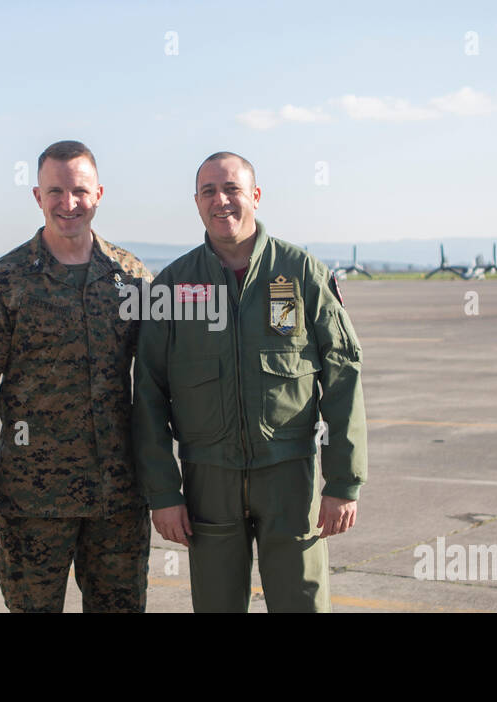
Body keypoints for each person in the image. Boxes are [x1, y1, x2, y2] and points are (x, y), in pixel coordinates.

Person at [132, 151, 367, 613]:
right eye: (208, 192)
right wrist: (163, 493)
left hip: (290, 478)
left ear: (255, 196)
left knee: (303, 604)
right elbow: (149, 396)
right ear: (197, 203)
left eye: (232, 189)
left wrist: (343, 481)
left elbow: (343, 377)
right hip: (208, 481)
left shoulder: (301, 274)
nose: (221, 201)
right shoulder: (175, 287)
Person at [0, 140, 153, 612]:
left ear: (99, 194)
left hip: (118, 500)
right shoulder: (4, 282)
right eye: (55, 191)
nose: (68, 203)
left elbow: (167, 373)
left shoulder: (132, 278)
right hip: (32, 502)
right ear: (38, 196)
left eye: (79, 190)